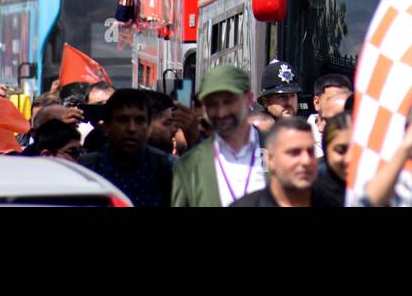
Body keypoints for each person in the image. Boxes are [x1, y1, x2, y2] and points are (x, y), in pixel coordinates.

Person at [171, 65, 264, 206]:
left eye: (228, 101)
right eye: (212, 104)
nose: (221, 113)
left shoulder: (279, 149)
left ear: (249, 99)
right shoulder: (188, 166)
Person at [79, 89, 173, 207]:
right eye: (123, 120)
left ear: (149, 127)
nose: (131, 128)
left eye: (139, 121)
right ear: (107, 126)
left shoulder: (167, 169)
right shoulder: (85, 170)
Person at [231, 116, 319, 207]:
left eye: (311, 152)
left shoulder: (331, 201)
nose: (306, 161)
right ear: (270, 159)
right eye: (294, 153)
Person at [312, 111, 351, 207]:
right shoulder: (309, 191)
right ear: (326, 149)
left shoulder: (381, 185)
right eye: (341, 150)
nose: (349, 159)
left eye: (357, 150)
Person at [308, 74, 352, 156]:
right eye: (333, 98)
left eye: (345, 100)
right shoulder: (298, 137)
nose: (341, 104)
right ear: (317, 103)